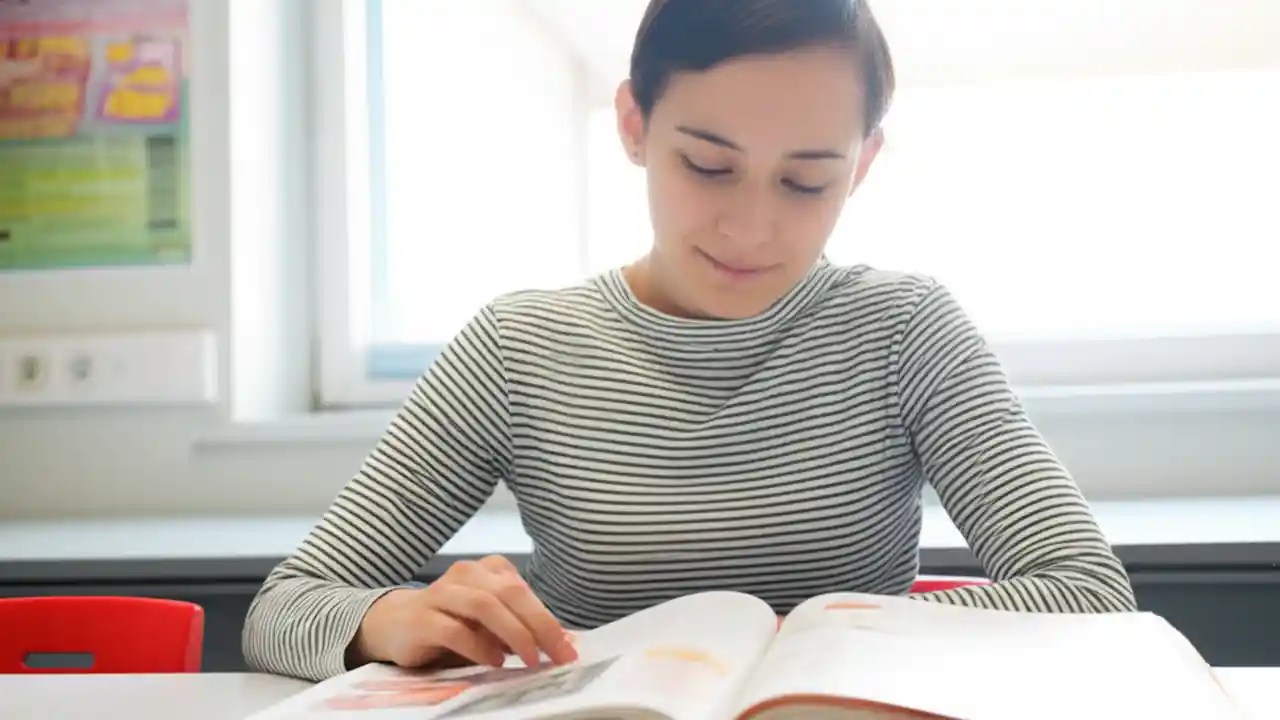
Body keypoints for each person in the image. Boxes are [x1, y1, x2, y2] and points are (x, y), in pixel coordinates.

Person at [243, 0, 1137, 682]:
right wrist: (389, 620)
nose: (750, 229)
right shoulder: (519, 350)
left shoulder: (904, 331)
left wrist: (825, 639)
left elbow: (1086, 590)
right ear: (634, 125)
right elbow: (284, 609)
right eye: (708, 166)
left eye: (806, 182)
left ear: (861, 165)